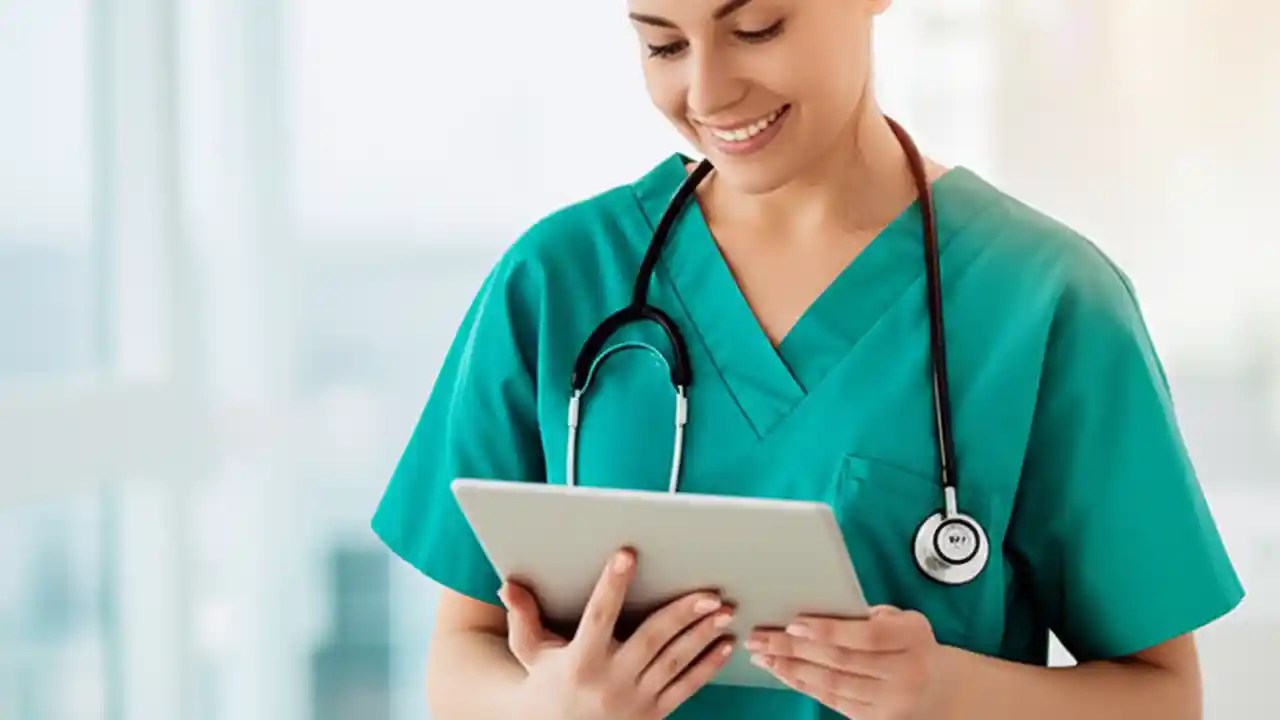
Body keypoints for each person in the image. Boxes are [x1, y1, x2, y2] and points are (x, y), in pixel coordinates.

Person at [370, 0, 1245, 717]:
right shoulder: (557, 279)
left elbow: (1161, 698)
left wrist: (948, 693)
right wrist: (546, 710)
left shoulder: (1045, 300)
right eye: (662, 44)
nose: (707, 90)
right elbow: (463, 654)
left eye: (756, 29)